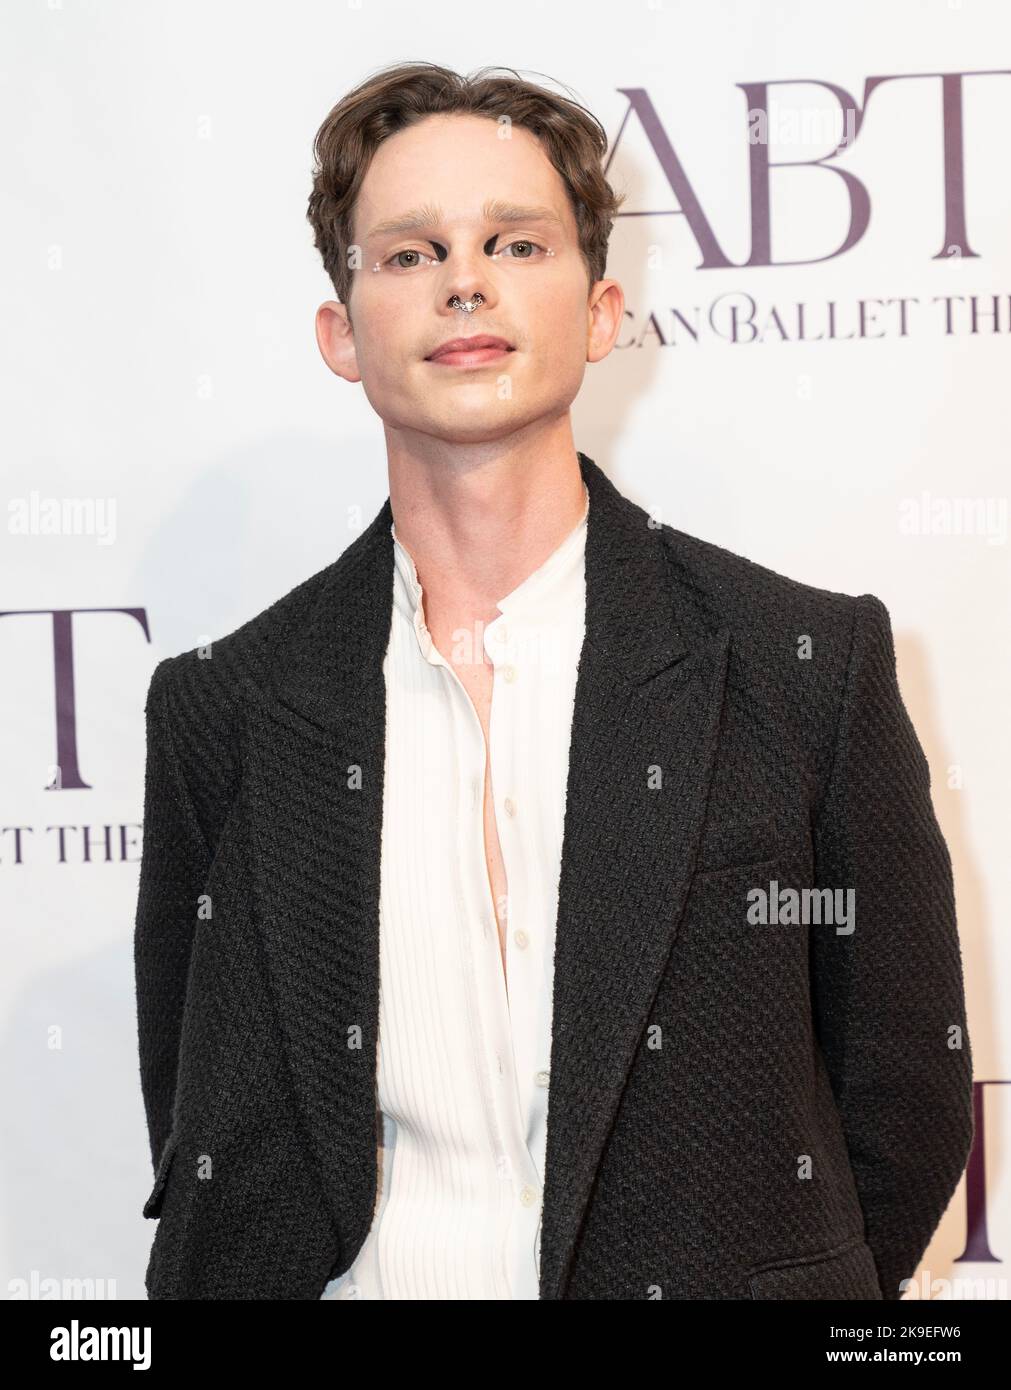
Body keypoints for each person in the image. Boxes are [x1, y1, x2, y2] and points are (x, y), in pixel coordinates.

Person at [135, 61, 973, 1301]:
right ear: (341, 333)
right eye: (411, 253)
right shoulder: (226, 708)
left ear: (599, 312)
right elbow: (204, 1126)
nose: (464, 279)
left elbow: (902, 1100)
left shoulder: (803, 668)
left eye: (516, 242)